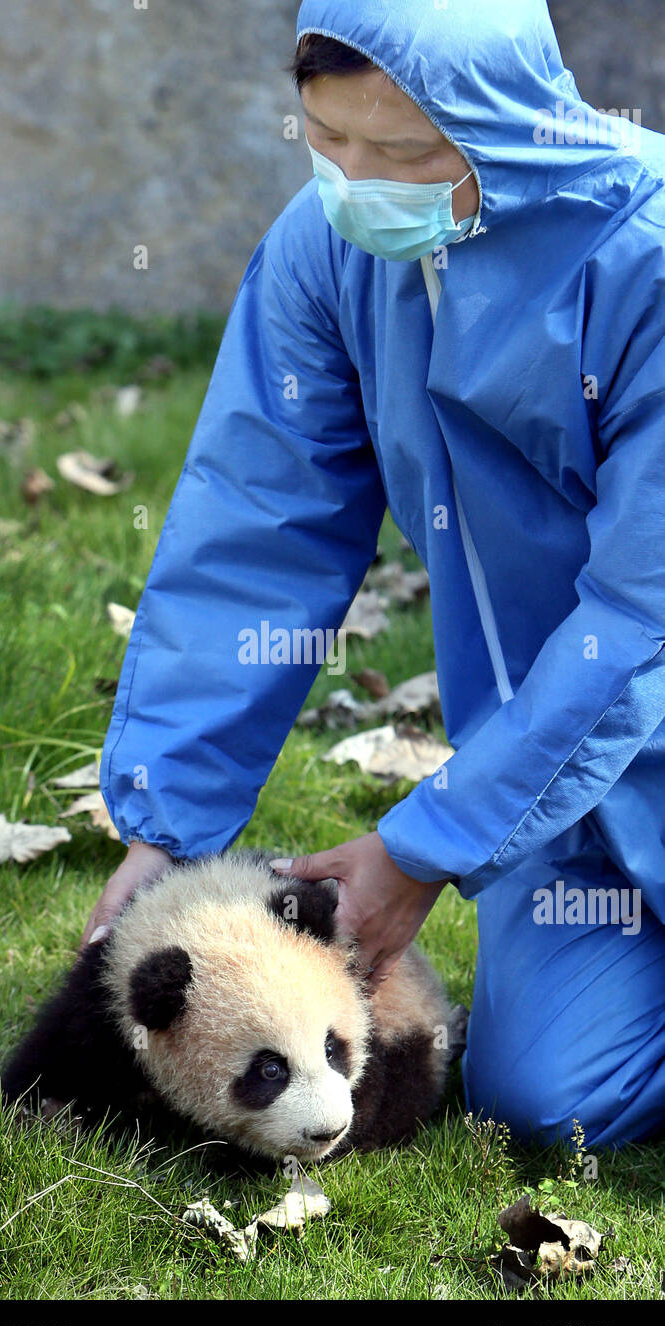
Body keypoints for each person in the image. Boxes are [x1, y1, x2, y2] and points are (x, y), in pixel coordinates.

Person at [83, 1, 665, 1150]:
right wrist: (166, 827)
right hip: (559, 783)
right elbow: (257, 529)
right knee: (553, 1105)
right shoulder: (327, 248)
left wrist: (424, 846)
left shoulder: (642, 258)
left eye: (399, 154)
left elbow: (640, 616)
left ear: (511, 132)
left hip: (608, 697)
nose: (355, 183)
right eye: (326, 140)